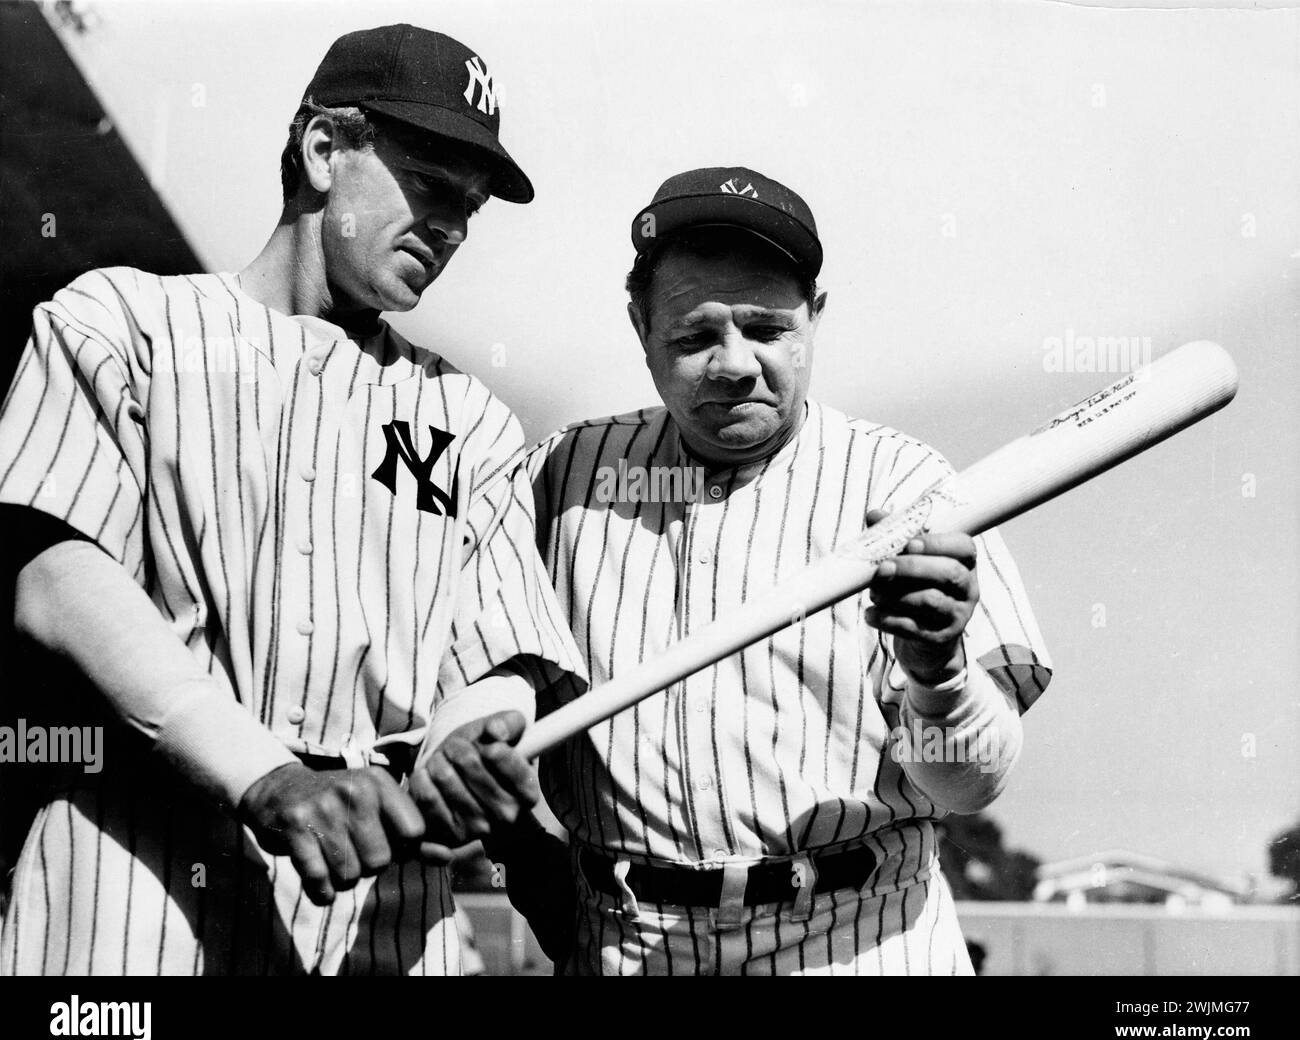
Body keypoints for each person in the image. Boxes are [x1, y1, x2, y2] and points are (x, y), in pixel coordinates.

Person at [0, 23, 583, 976]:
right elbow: (55, 579)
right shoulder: (123, 323)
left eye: (470, 210)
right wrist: (261, 772)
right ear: (322, 151)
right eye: (433, 187)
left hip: (380, 899)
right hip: (133, 872)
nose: (451, 229)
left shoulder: (469, 419)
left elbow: (501, 657)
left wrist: (472, 741)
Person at [525, 166, 1052, 975]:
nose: (734, 365)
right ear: (639, 325)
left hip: (856, 933)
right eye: (696, 335)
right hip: (625, 939)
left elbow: (971, 786)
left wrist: (938, 669)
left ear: (816, 318)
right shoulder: (562, 476)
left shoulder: (903, 484)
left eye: (767, 329)